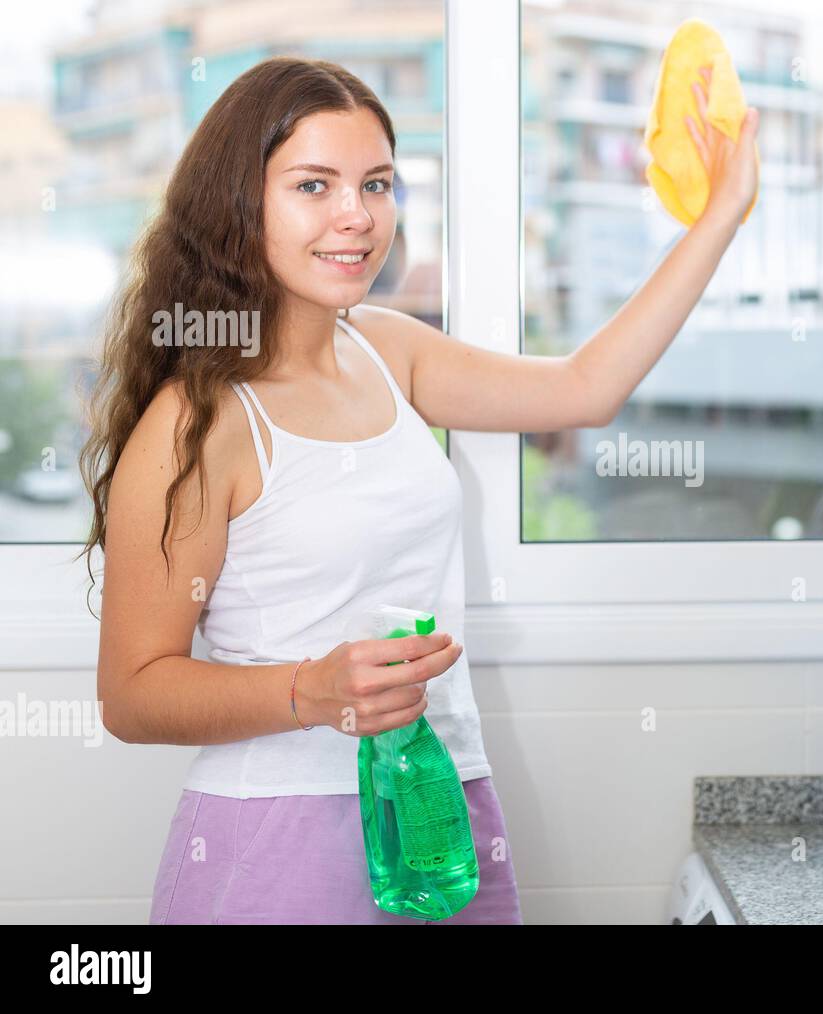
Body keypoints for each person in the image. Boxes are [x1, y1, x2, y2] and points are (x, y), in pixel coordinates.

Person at [79, 55, 759, 924]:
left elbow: (588, 387)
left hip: (442, 807)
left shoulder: (388, 351)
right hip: (280, 840)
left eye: (378, 184)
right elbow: (132, 694)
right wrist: (308, 691)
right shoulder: (198, 422)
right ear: (237, 204)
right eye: (313, 185)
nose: (356, 217)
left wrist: (723, 212)